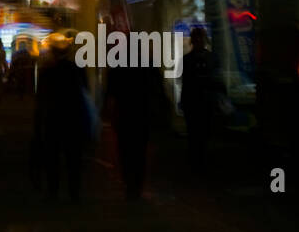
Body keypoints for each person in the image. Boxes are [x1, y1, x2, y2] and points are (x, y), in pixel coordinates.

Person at [104, 17, 166, 199]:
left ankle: (129, 182)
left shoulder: (118, 63)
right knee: (139, 150)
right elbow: (158, 87)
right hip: (142, 113)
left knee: (125, 150)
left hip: (124, 114)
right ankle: (136, 184)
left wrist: (108, 107)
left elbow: (110, 90)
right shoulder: (147, 62)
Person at [33, 31, 89, 200]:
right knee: (74, 158)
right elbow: (85, 95)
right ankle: (74, 192)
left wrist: (37, 125)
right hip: (73, 120)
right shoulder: (78, 70)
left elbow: (41, 100)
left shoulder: (47, 72)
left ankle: (53, 191)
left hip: (53, 120)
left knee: (52, 158)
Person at [180, 26, 225, 175]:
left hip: (195, 102)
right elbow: (217, 80)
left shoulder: (187, 60)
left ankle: (197, 163)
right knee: (202, 134)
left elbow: (186, 83)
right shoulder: (211, 58)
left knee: (195, 135)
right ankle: (201, 163)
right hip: (204, 101)